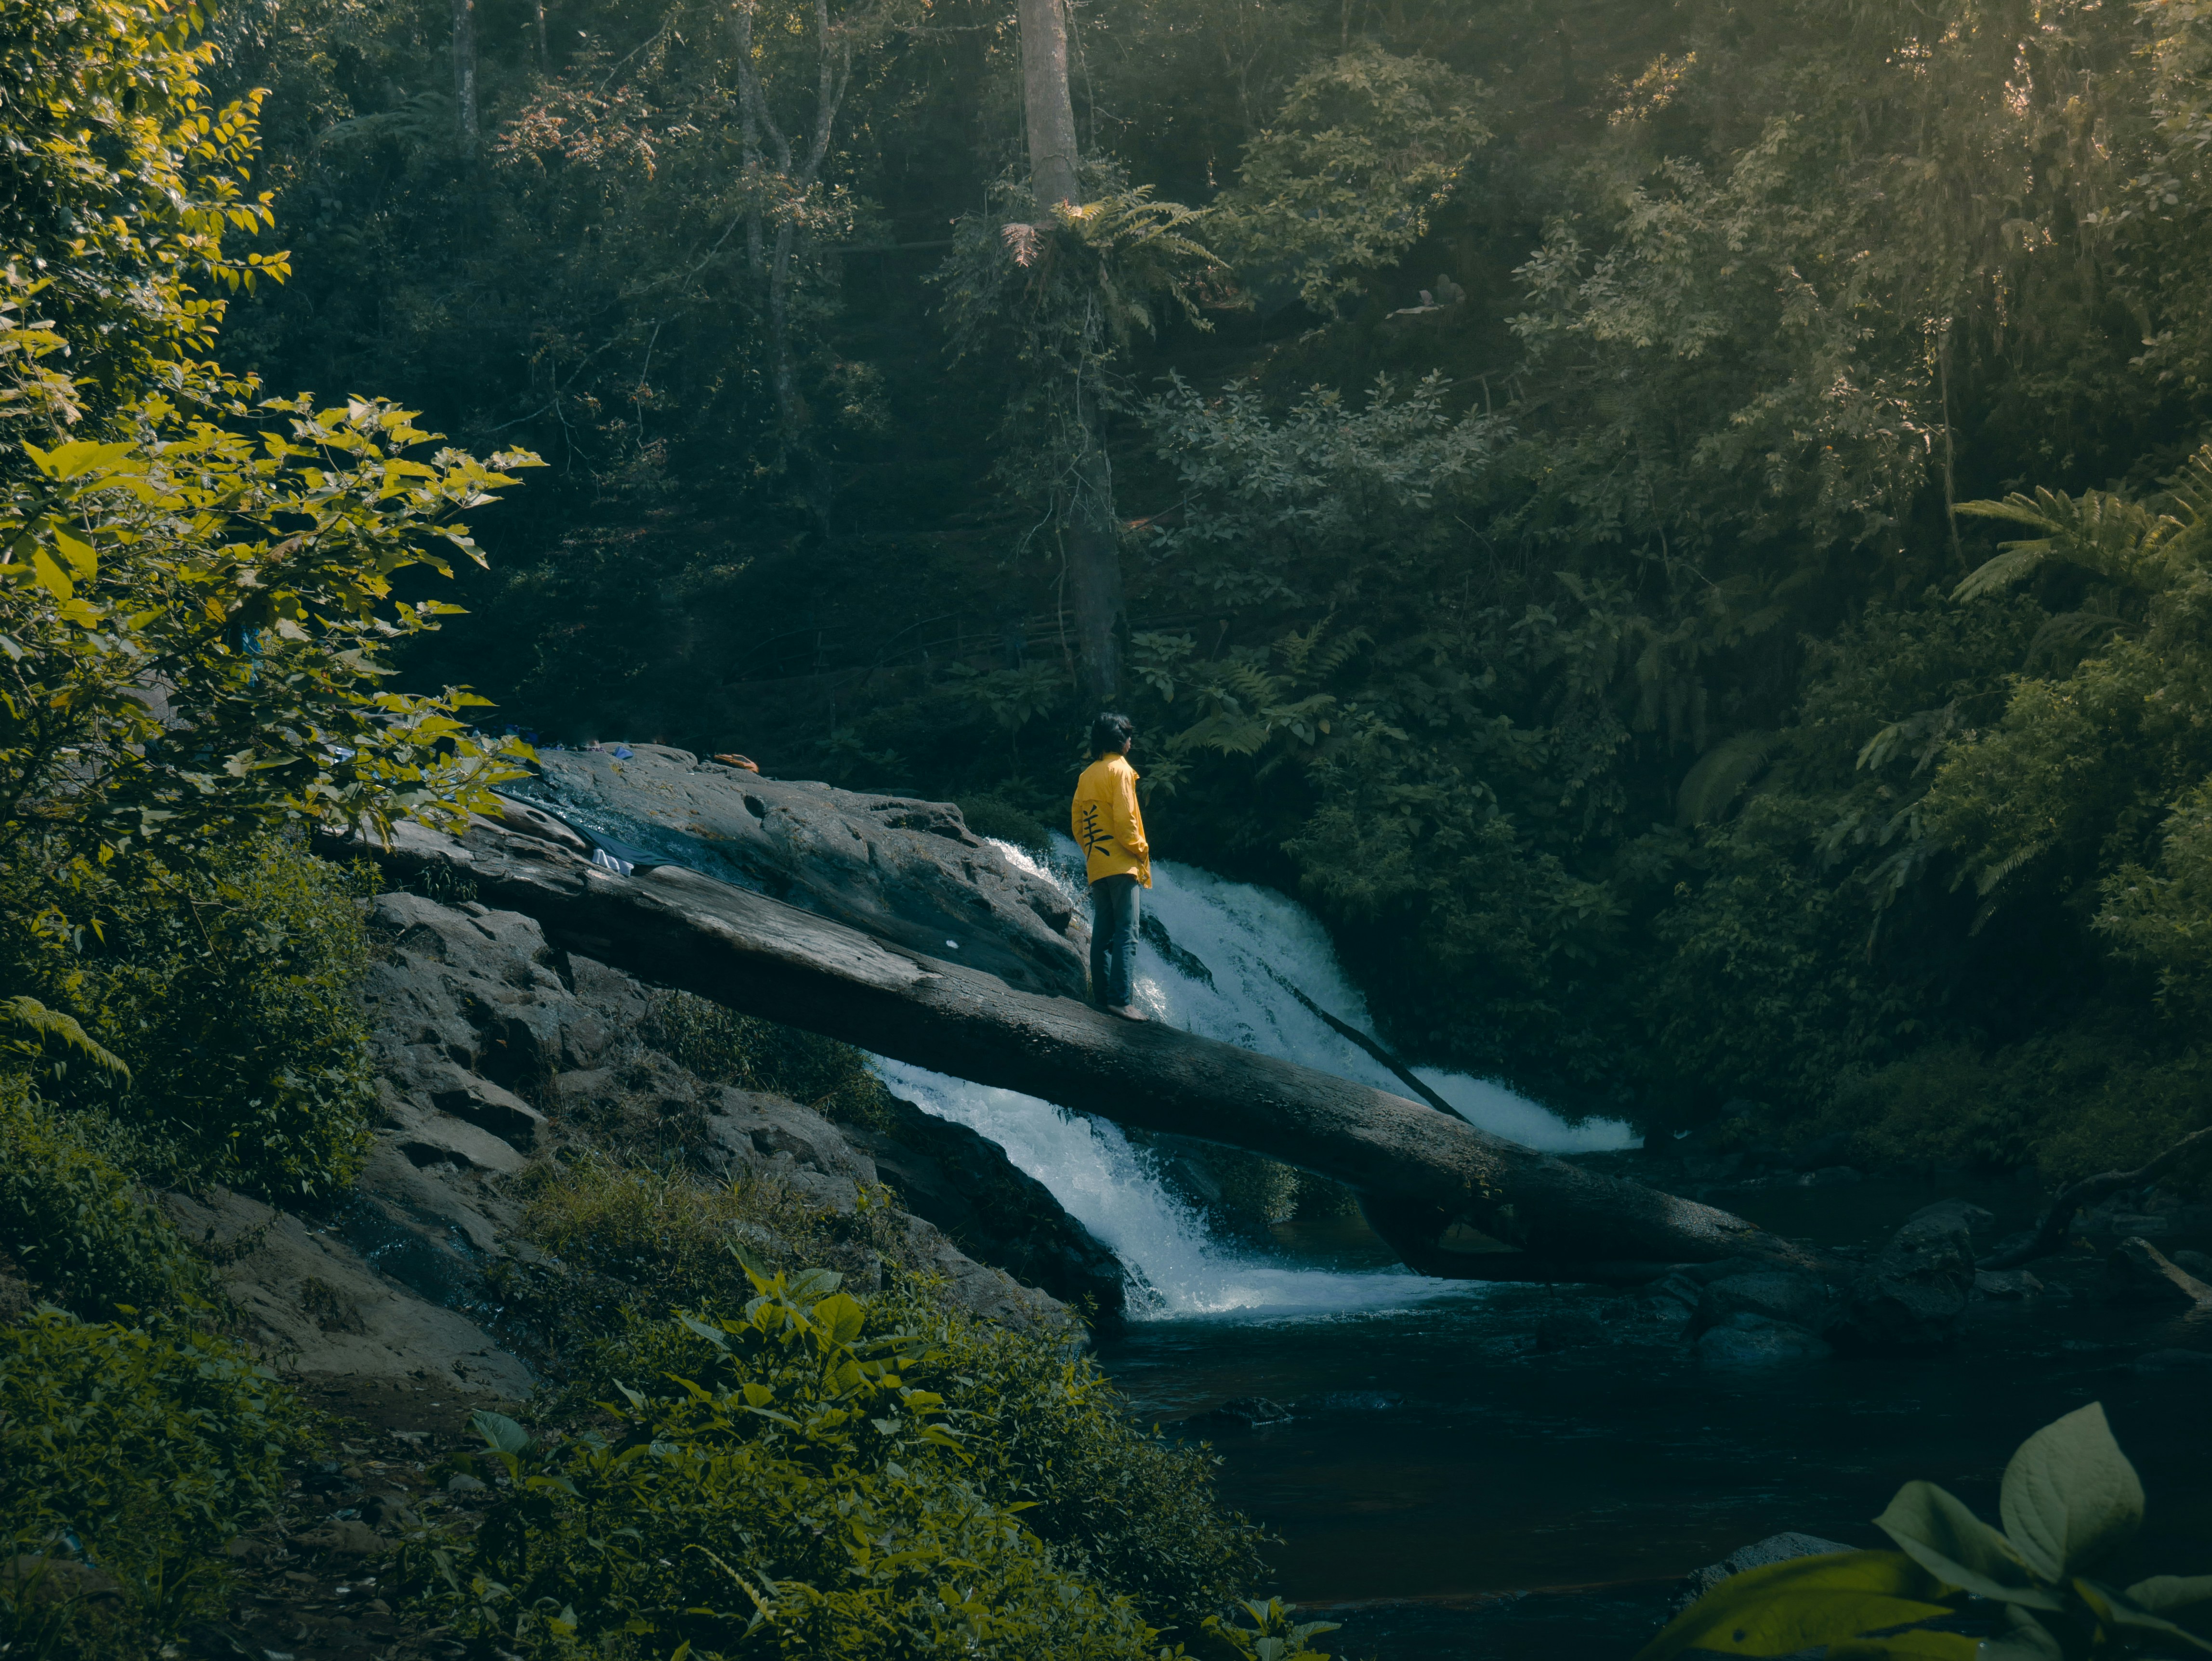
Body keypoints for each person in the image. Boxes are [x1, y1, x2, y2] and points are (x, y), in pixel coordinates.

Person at [1070, 712, 1151, 1021]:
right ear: (1121, 740)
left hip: (1097, 864)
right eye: (1128, 735)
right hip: (1122, 863)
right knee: (1127, 932)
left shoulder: (1087, 775)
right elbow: (1127, 823)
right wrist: (1141, 851)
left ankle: (1102, 1000)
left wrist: (1092, 853)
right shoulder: (1121, 771)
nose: (1132, 740)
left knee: (1102, 934)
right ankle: (1121, 1000)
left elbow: (1078, 824)